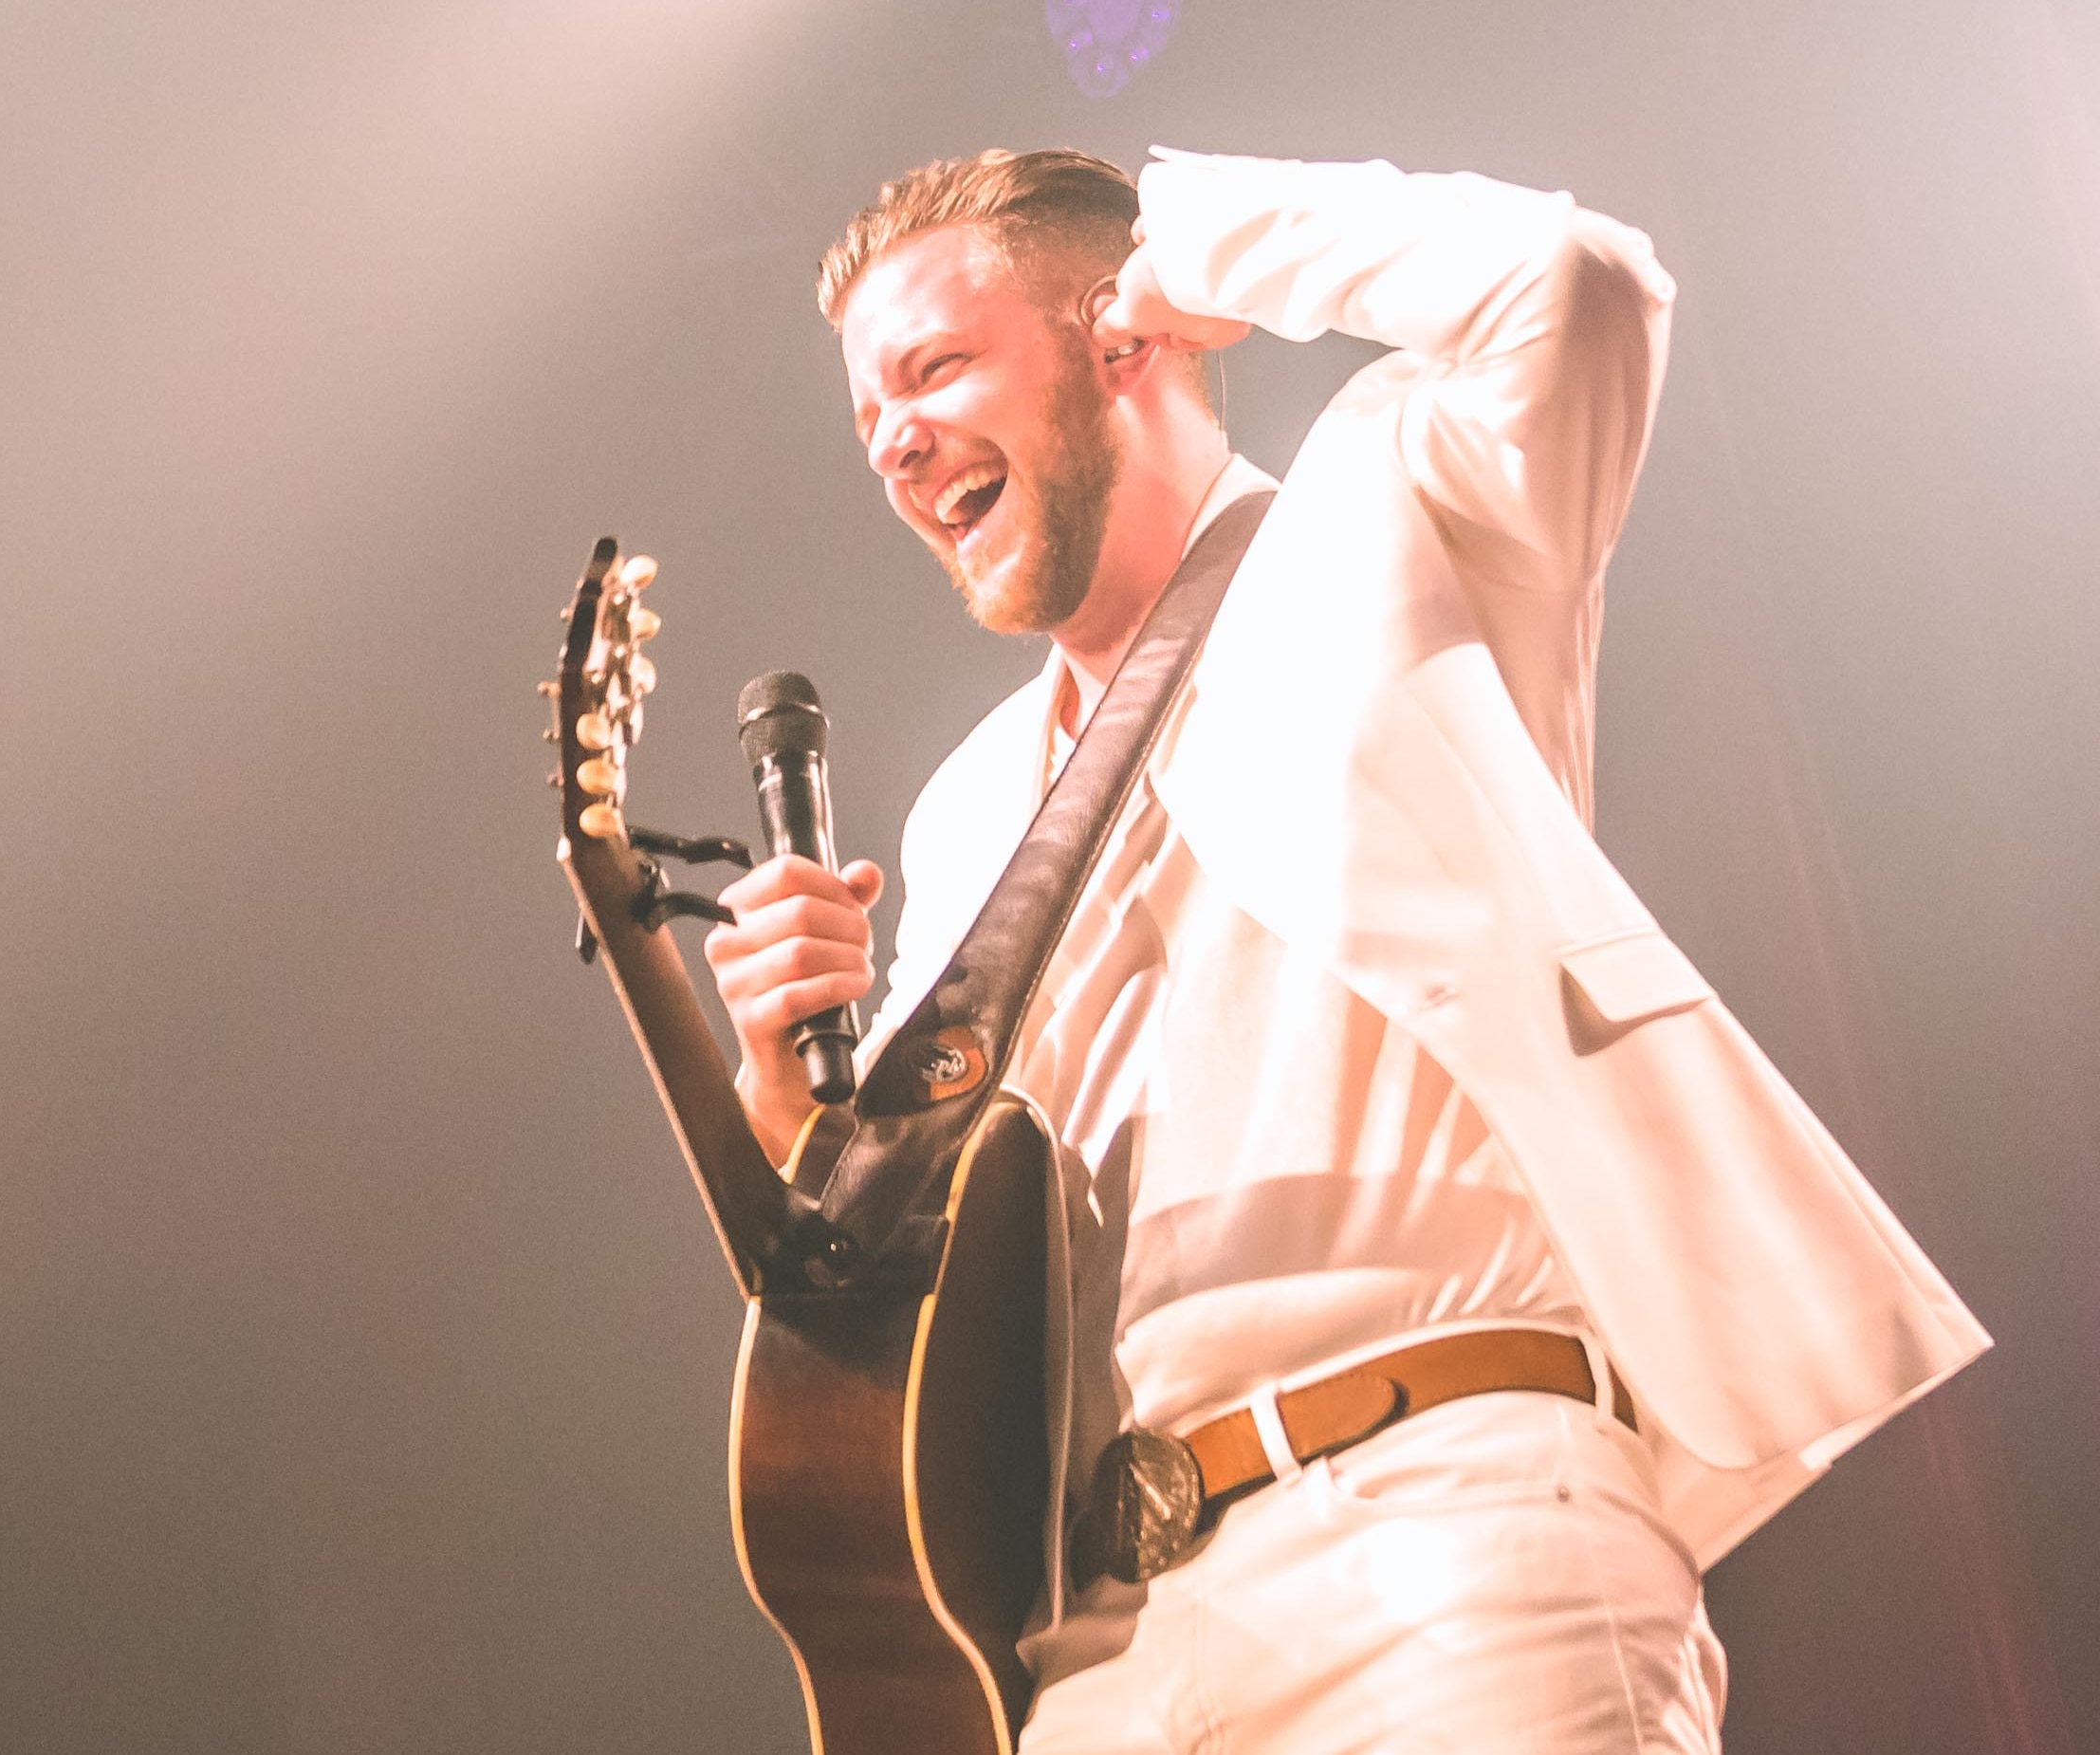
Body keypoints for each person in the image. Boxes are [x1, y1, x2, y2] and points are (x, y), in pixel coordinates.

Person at [698, 148, 1984, 1755]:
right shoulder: (967, 810)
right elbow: (928, 1280)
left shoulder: (1390, 523)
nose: (892, 439)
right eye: (867, 413)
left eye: (936, 367)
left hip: (1445, 1531)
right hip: (1109, 1637)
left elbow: (1575, 286)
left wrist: (1199, 243)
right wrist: (780, 1093)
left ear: (1126, 338)